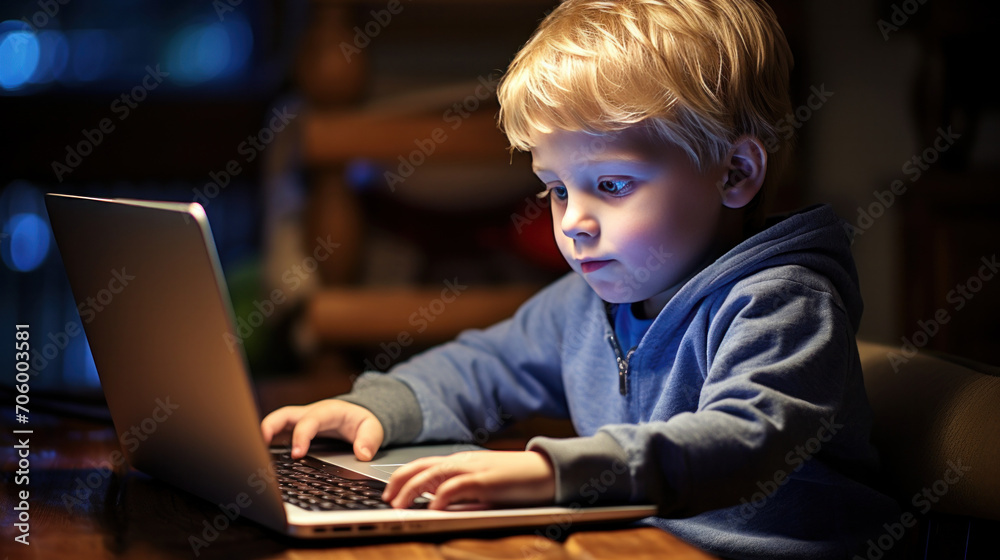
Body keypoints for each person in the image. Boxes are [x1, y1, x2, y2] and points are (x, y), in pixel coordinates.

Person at [261, 0, 900, 557]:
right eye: (558, 190)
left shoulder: (784, 302)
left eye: (612, 185)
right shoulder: (581, 304)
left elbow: (741, 441)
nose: (575, 224)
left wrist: (551, 472)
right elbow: (483, 364)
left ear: (734, 173)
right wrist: (371, 407)